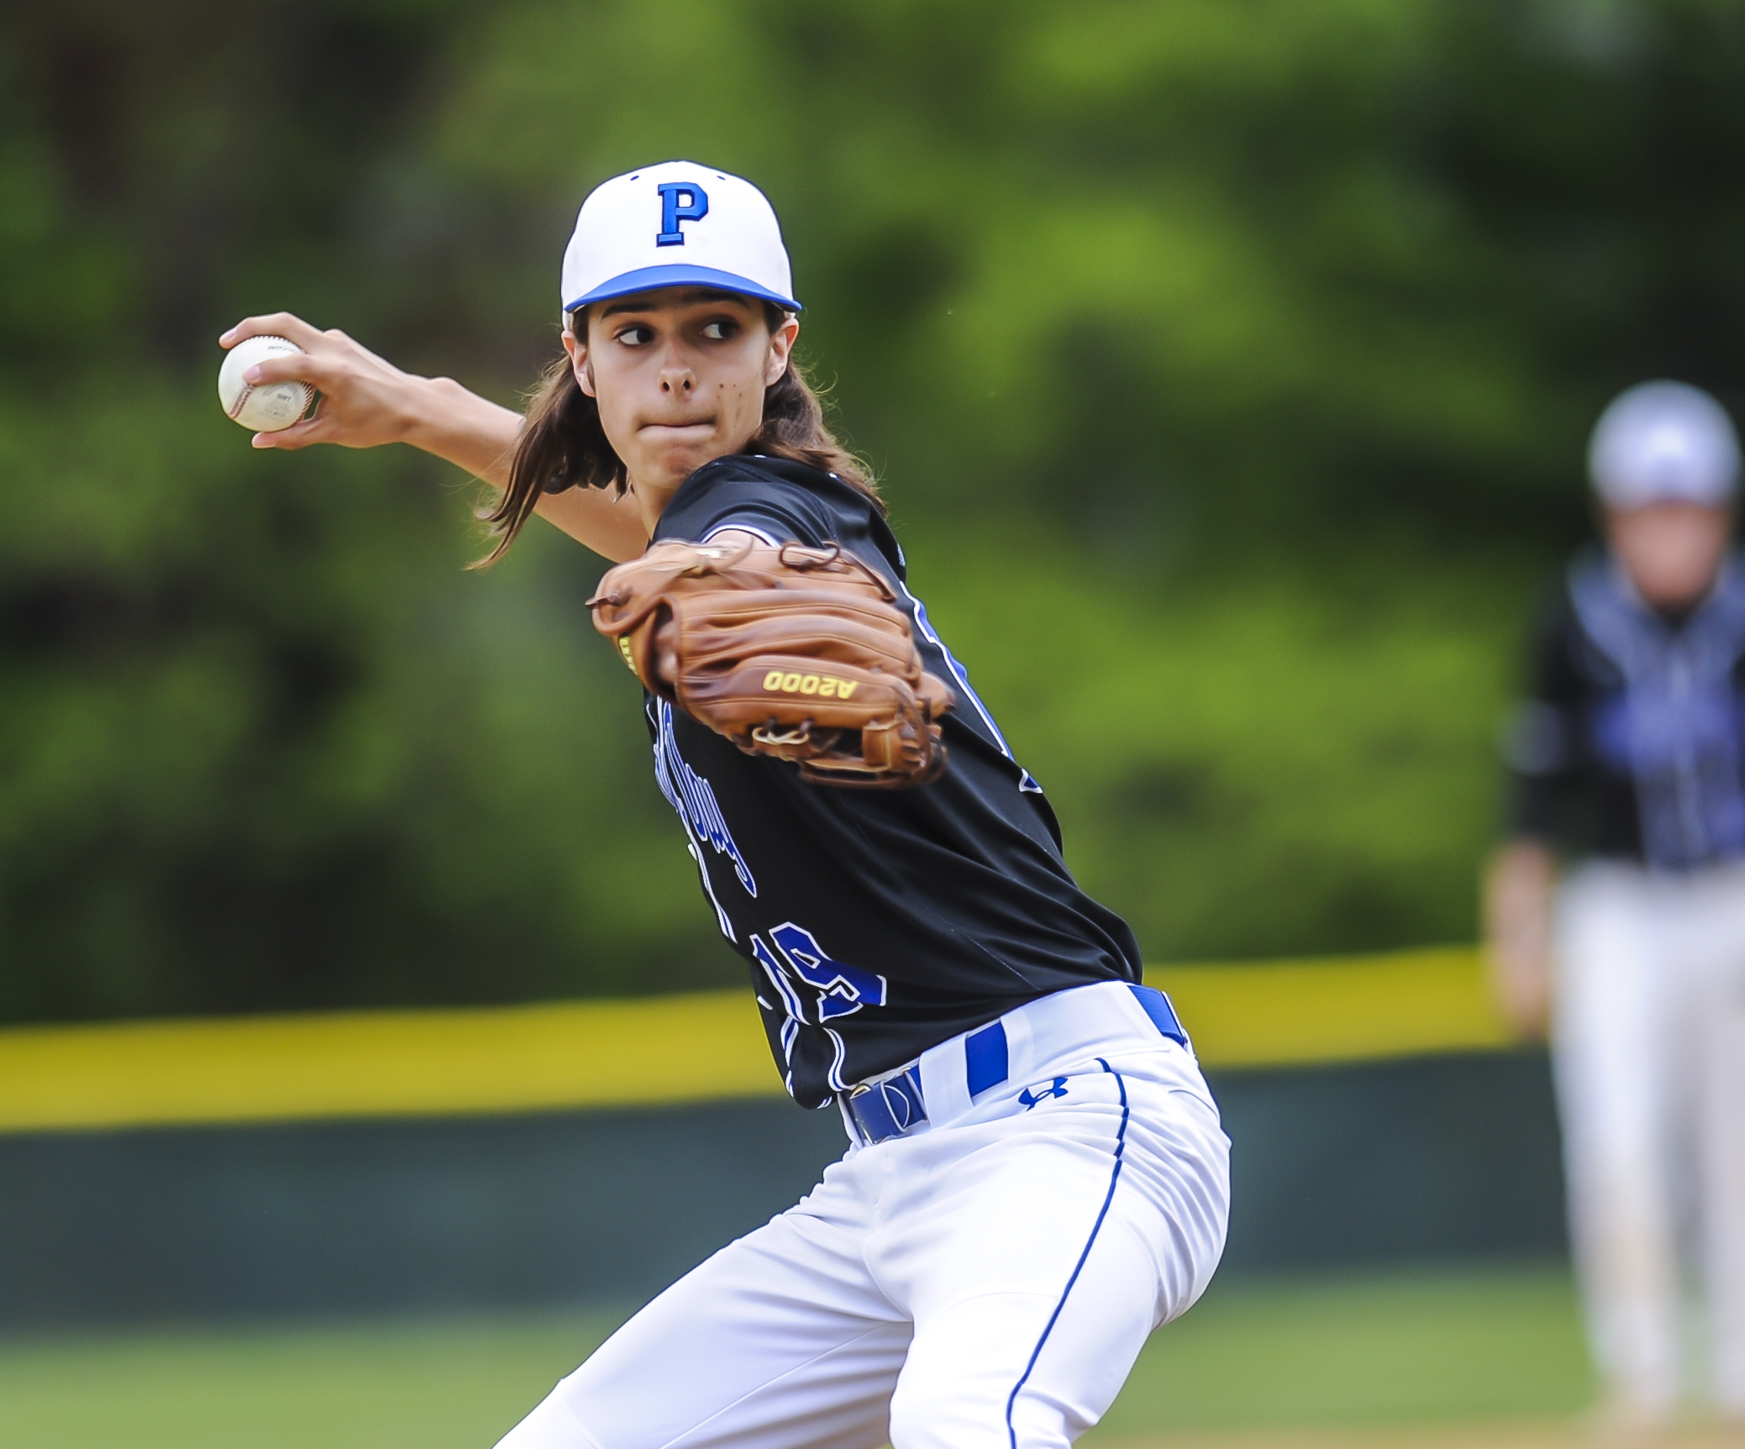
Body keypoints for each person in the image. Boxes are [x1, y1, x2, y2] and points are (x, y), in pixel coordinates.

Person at [220, 160, 1229, 1449]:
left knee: (976, 1422)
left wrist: (715, 570)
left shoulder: (778, 516)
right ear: (580, 359)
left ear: (778, 348)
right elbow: (642, 523)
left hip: (1073, 1129)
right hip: (887, 1182)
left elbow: (736, 548)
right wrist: (421, 410)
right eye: (634, 336)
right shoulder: (684, 531)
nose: (678, 371)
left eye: (716, 330)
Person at [1482, 381, 1745, 1436]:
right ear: (1615, 514)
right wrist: (1518, 941)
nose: (1672, 529)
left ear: (1724, 509)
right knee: (1616, 1142)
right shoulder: (1572, 618)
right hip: (1616, 911)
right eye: (1652, 508)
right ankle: (1643, 1380)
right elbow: (1529, 808)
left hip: (1742, 902)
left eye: (1689, 506)